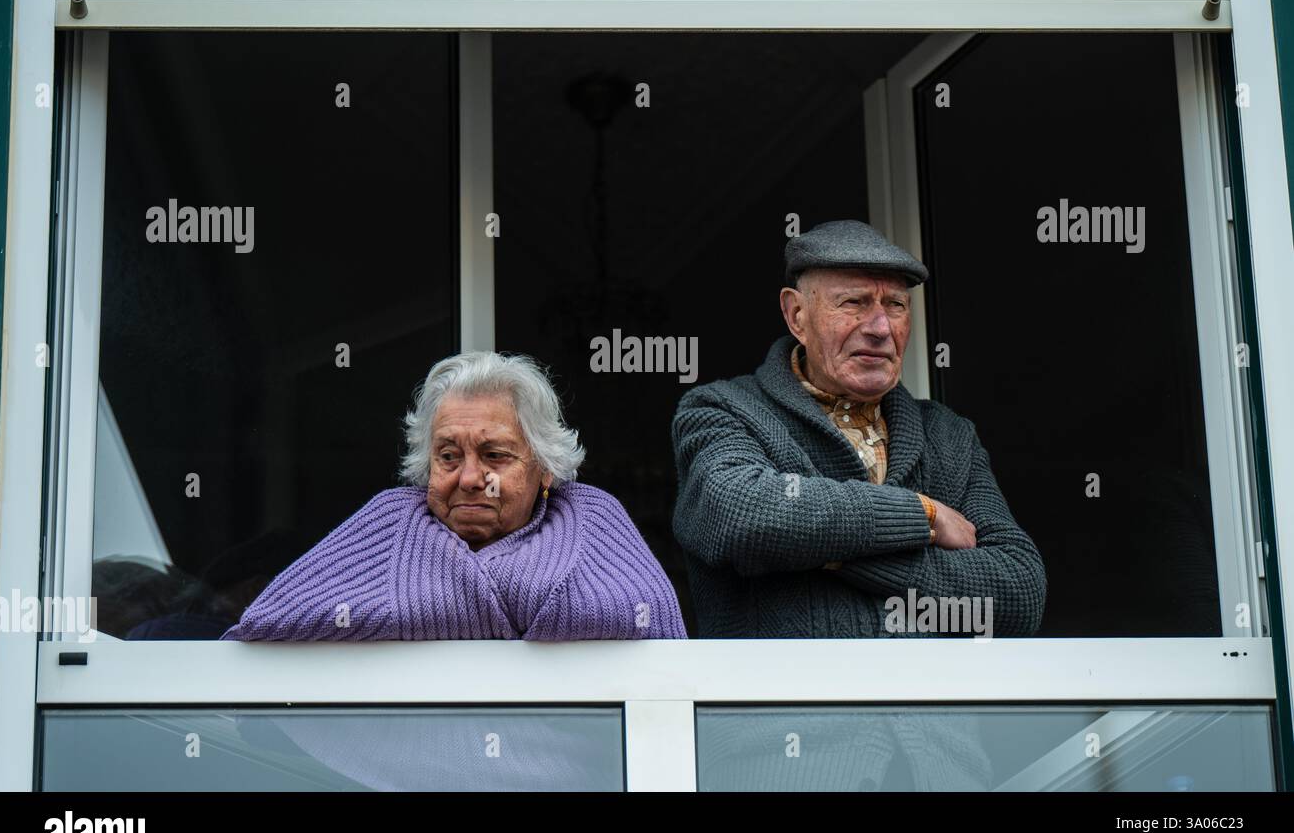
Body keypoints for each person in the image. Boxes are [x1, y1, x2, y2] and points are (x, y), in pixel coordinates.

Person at [671, 219, 1046, 638]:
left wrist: (826, 549)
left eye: (896, 306)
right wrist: (924, 515)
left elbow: (1019, 591)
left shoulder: (949, 435)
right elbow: (742, 516)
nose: (880, 328)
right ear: (797, 315)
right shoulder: (722, 409)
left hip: (931, 703)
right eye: (854, 302)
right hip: (784, 702)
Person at [222, 351, 687, 641]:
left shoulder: (591, 521)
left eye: (495, 454)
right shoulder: (389, 524)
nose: (469, 477)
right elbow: (268, 628)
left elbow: (662, 659)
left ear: (544, 468)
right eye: (448, 456)